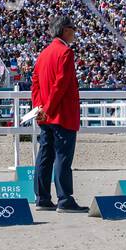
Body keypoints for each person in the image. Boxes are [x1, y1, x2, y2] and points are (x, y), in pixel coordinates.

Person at [30, 15, 84, 213]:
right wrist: (49, 108)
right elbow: (60, 85)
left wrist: (40, 109)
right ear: (65, 30)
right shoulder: (66, 52)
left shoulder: (43, 54)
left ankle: (42, 197)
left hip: (46, 114)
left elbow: (35, 83)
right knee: (63, 157)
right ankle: (64, 198)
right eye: (73, 29)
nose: (75, 33)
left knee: (45, 155)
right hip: (61, 113)